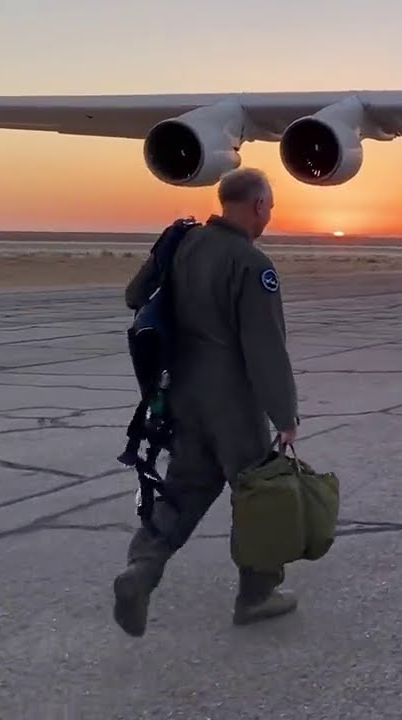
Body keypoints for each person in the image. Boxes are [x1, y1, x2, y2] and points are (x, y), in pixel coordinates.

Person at [112, 167, 300, 637]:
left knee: (184, 488)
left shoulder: (185, 243)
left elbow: (134, 294)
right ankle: (256, 596)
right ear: (257, 205)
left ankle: (141, 570)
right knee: (260, 496)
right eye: (270, 207)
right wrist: (285, 412)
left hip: (180, 393)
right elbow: (264, 345)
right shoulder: (251, 264)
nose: (270, 216)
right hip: (232, 403)